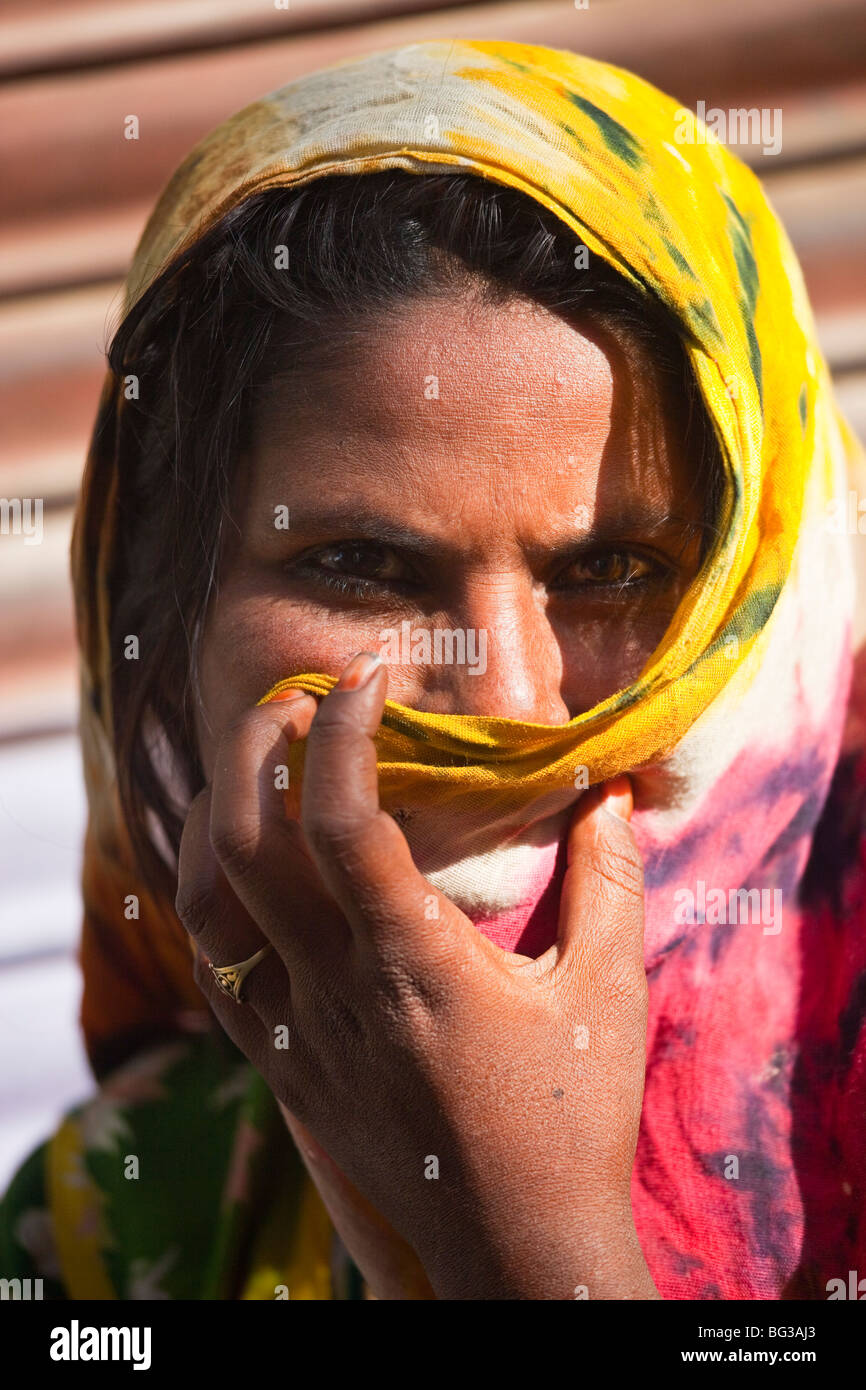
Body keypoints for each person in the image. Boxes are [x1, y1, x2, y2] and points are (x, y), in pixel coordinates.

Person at [1, 38, 864, 1301]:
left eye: (615, 569)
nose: (509, 698)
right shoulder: (120, 1226)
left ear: (765, 610)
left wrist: (526, 1250)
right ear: (169, 622)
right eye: (360, 566)